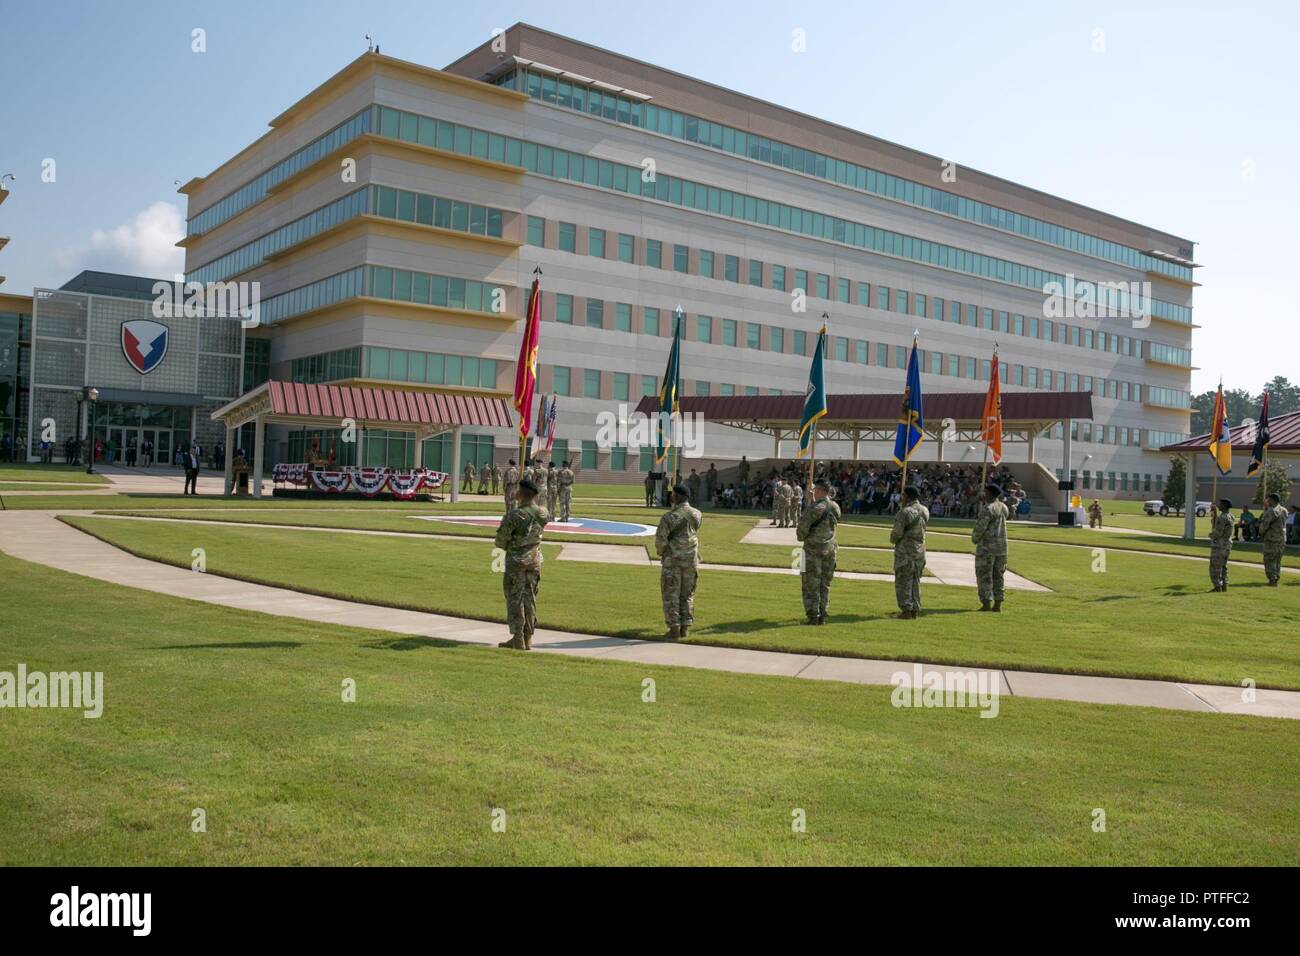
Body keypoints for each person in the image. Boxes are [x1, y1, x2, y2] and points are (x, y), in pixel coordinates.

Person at [495, 478, 549, 650]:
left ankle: (518, 638)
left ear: (521, 493)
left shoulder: (515, 515)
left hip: (516, 561)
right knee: (530, 598)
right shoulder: (543, 513)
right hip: (535, 560)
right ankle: (528, 637)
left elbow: (500, 541)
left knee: (515, 598)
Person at [655, 483, 702, 640]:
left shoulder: (668, 517)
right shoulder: (697, 514)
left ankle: (674, 628)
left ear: (677, 496)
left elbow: (661, 541)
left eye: (673, 494)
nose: (671, 496)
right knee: (687, 594)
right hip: (691, 560)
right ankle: (685, 627)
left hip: (673, 561)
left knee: (671, 594)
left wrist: (662, 552)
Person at [796, 478, 840, 625]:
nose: (813, 491)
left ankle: (813, 615)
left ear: (820, 490)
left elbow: (800, 534)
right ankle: (823, 615)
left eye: (815, 489)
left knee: (810, 584)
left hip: (812, 551)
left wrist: (810, 505)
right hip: (830, 550)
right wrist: (814, 502)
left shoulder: (813, 509)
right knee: (825, 584)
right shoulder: (835, 506)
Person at [891, 485, 929, 619]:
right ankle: (915, 609)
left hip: (906, 551)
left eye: (903, 495)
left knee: (903, 581)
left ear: (906, 496)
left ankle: (906, 610)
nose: (901, 497)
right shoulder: (925, 510)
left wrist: (893, 539)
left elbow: (896, 534)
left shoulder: (904, 512)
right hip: (920, 550)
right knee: (915, 581)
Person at [971, 484, 1009, 612]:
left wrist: (975, 538)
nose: (983, 495)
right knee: (998, 576)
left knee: (984, 575)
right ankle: (998, 603)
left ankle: (986, 603)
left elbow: (980, 527)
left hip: (987, 548)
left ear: (990, 494)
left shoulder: (988, 508)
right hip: (1002, 548)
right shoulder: (1003, 507)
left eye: (985, 492)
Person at [1257, 493, 1288, 586]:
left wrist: (1260, 532)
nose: (1267, 501)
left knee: (1269, 559)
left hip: (1271, 539)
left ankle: (1272, 579)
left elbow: (1264, 525)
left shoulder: (1271, 511)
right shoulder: (1284, 510)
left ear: (1272, 500)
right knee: (1277, 560)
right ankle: (1276, 578)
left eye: (1268, 499)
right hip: (1281, 539)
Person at [1208, 499, 1234, 592]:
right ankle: (1224, 585)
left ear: (1225, 506)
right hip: (1227, 544)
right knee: (1223, 566)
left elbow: (1218, 532)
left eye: (1221, 504)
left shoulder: (1222, 517)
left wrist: (1211, 535)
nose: (1219, 505)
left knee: (1215, 566)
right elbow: (1217, 525)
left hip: (1220, 544)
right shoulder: (1230, 516)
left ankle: (1217, 586)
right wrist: (1215, 513)